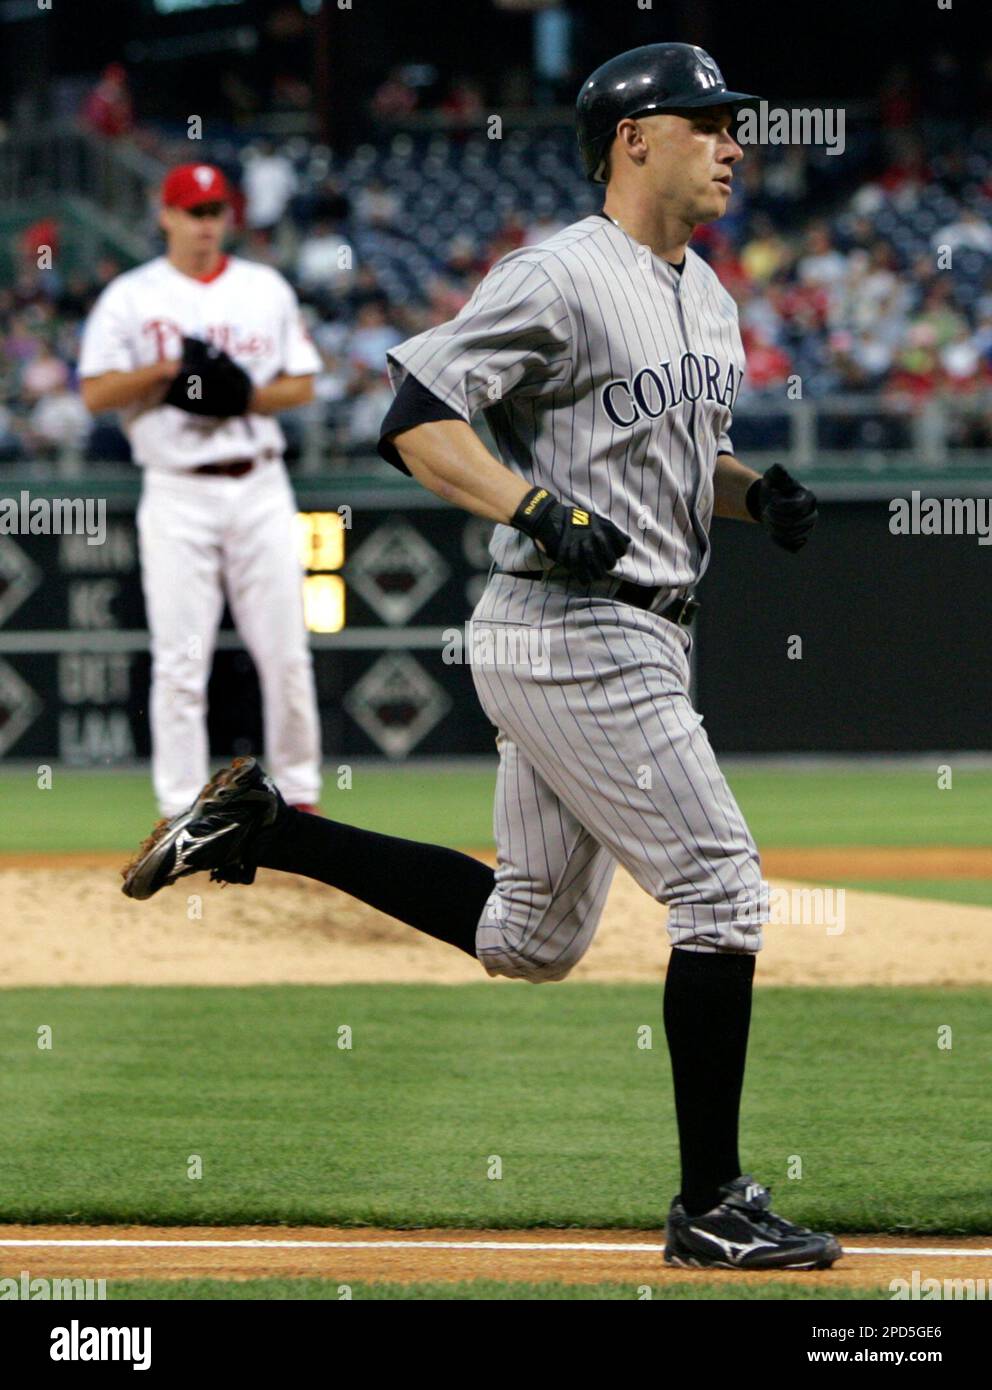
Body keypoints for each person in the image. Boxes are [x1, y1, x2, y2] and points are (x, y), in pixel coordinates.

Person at [120, 48, 836, 1272]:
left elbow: (666, 458)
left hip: (642, 622)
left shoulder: (706, 295)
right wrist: (525, 505)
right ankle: (710, 1199)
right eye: (706, 123)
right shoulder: (556, 275)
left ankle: (266, 824)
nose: (730, 143)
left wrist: (749, 489)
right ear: (630, 140)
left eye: (733, 124)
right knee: (719, 889)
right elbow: (413, 413)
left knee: (528, 936)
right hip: (570, 620)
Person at [79, 163, 322, 817]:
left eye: (216, 211)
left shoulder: (264, 288)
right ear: (166, 215)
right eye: (194, 211)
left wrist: (236, 395)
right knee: (179, 663)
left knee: (286, 652)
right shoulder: (130, 297)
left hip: (260, 483)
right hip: (177, 490)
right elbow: (96, 391)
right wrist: (164, 371)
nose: (207, 224)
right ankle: (182, 808)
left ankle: (300, 796)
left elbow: (301, 384)